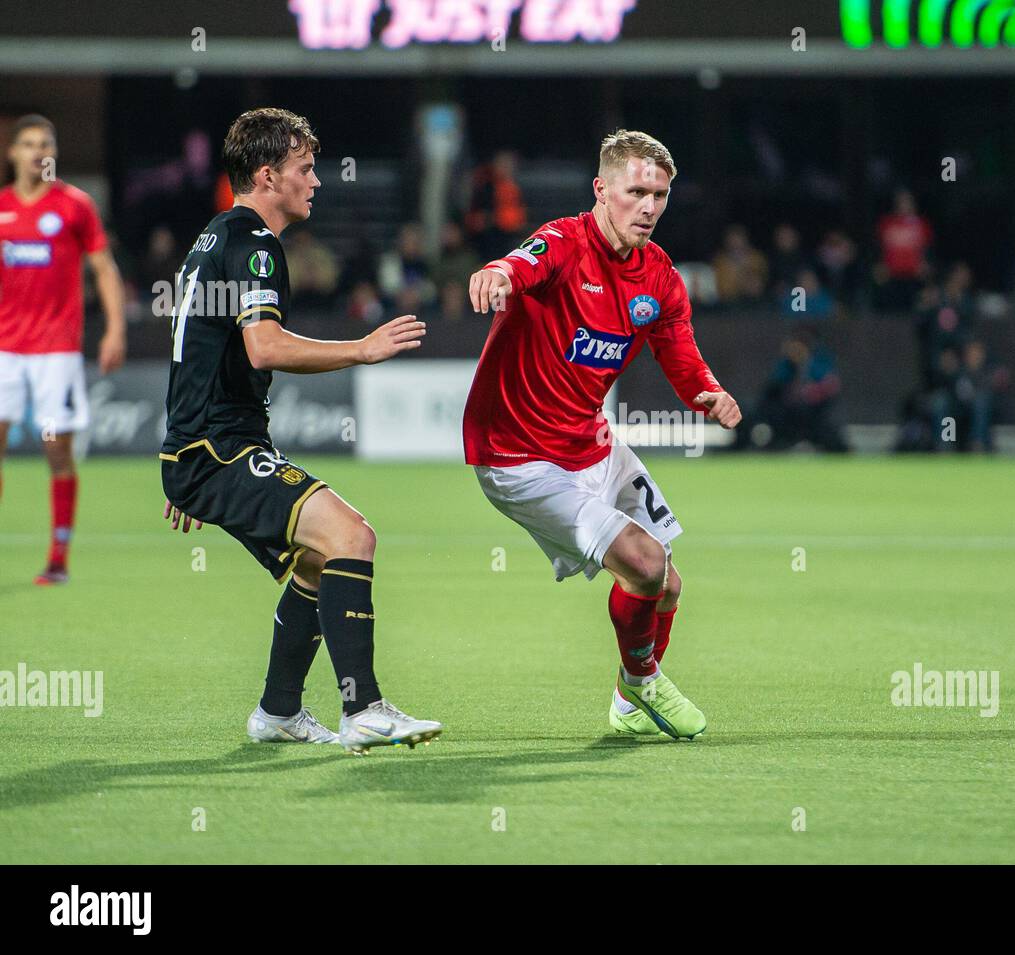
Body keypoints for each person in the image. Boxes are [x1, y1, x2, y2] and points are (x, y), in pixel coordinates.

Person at [159, 107, 440, 753]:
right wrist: (362, 348)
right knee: (350, 535)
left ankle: (279, 710)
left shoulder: (215, 237)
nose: (316, 181)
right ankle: (363, 708)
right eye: (304, 169)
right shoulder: (254, 242)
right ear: (267, 175)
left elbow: (196, 352)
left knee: (319, 558)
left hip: (208, 448)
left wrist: (182, 457)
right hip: (217, 447)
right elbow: (263, 346)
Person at [464, 129, 741, 740]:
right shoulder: (564, 242)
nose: (648, 207)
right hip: (519, 458)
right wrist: (496, 273)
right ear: (602, 189)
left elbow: (680, 353)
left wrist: (707, 391)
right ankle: (643, 680)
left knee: (666, 583)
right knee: (643, 564)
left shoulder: (660, 276)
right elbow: (521, 263)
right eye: (636, 191)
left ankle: (625, 696)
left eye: (660, 195)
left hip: (591, 442)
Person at [0, 114, 127, 585]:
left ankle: (58, 556)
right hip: (5, 351)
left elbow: (104, 269)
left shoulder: (74, 206)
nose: (38, 151)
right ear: (13, 152)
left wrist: (115, 329)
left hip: (55, 351)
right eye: (29, 143)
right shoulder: (2, 209)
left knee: (55, 447)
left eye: (45, 143)